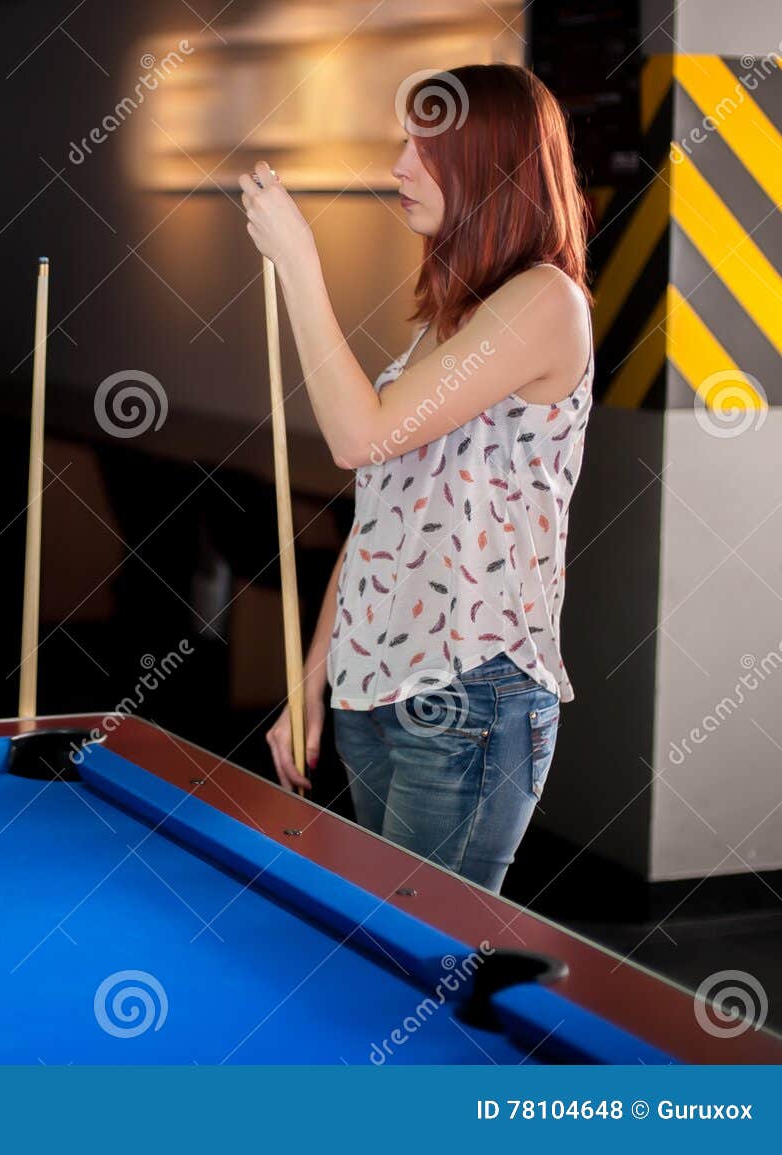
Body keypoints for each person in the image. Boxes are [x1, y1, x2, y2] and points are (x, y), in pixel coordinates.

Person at [241, 64, 593, 892]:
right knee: (389, 951)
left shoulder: (546, 300)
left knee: (418, 962)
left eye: (424, 148)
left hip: (469, 694)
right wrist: (312, 674)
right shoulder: (451, 315)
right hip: (377, 689)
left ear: (491, 165)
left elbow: (359, 436)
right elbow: (383, 517)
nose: (399, 166)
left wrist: (298, 261)